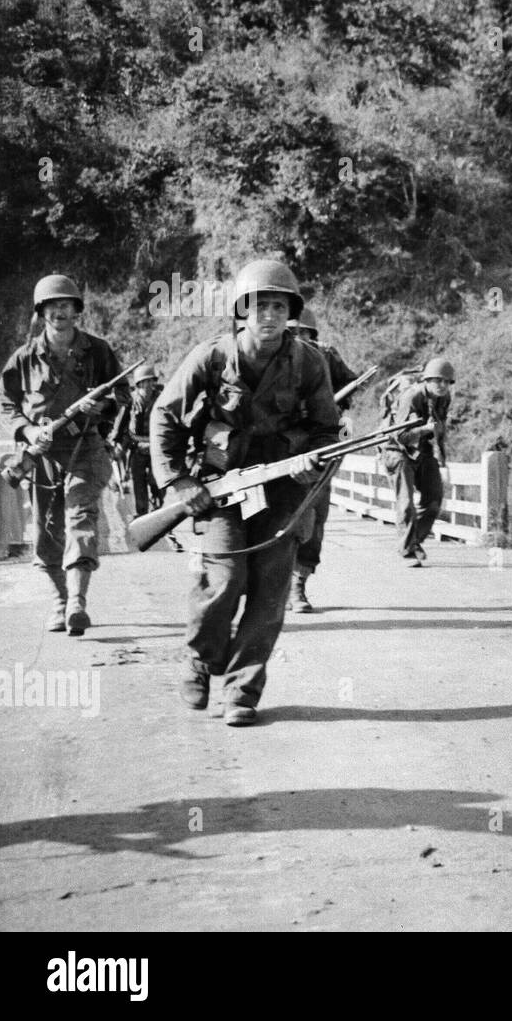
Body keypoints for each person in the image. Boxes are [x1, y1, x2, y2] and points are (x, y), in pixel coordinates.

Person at [151, 259, 339, 726]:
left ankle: (242, 691)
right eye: (259, 306)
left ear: (290, 312)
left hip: (281, 491)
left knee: (271, 589)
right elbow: (164, 417)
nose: (269, 315)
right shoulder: (211, 358)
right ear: (241, 310)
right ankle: (200, 658)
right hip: (220, 488)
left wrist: (309, 464)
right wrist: (180, 481)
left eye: (279, 306)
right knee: (225, 576)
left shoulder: (309, 361)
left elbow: (326, 431)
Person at [0, 275, 128, 635]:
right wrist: (27, 431)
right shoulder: (24, 358)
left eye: (66, 305)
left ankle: (76, 602)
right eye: (52, 306)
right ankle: (58, 600)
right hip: (41, 454)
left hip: (85, 447)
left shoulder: (98, 352)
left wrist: (97, 405)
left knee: (80, 516)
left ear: (76, 311)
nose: (59, 312)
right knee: (46, 532)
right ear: (41, 313)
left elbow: (122, 395)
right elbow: (6, 403)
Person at [287, 307, 360, 611]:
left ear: (311, 335)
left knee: (314, 517)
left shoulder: (327, 357)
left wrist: (332, 406)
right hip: (279, 447)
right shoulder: (268, 357)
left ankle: (298, 584)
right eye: (291, 333)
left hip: (320, 446)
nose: (296, 338)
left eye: (301, 333)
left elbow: (351, 393)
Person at [383, 356, 453, 566]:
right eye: (437, 381)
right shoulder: (411, 397)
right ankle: (408, 552)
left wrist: (443, 459)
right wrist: (425, 429)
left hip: (422, 451)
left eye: (446, 382)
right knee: (405, 504)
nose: (442, 386)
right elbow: (399, 435)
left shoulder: (444, 398)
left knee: (434, 499)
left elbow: (440, 429)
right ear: (426, 380)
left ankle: (413, 542)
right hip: (399, 451)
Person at [111, 362, 164, 518]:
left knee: (157, 480)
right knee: (139, 482)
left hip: (156, 445)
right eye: (144, 382)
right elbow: (121, 422)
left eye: (150, 381)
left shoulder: (161, 399)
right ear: (138, 384)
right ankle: (142, 514)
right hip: (136, 446)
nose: (147, 386)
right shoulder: (131, 401)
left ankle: (159, 510)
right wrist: (117, 442)